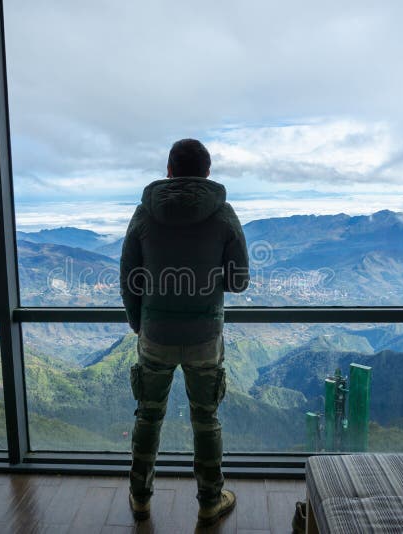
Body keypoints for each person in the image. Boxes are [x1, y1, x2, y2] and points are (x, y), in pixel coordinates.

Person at [120, 138, 249, 526]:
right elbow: (239, 281)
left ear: (169, 170)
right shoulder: (223, 214)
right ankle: (210, 500)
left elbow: (129, 277)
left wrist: (138, 323)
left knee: (148, 415)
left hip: (155, 333)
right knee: (205, 419)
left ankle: (140, 498)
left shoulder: (144, 214)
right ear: (207, 172)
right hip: (205, 337)